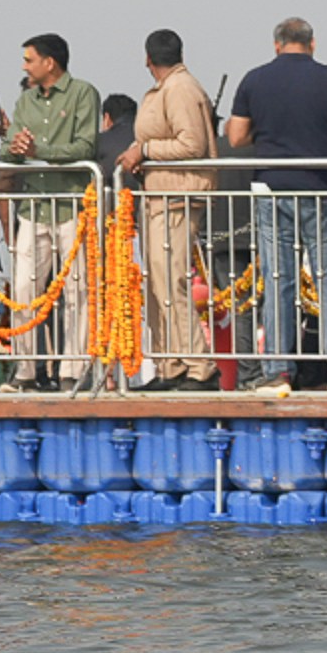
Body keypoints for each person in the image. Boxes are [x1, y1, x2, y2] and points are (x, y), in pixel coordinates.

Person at [222, 18, 327, 391]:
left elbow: (236, 137)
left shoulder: (254, 79)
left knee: (277, 279)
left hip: (272, 188)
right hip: (323, 189)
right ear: (312, 44)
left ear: (276, 45)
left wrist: (267, 128)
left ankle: (277, 372)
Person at [0, 34, 103, 390]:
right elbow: (8, 152)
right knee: (23, 290)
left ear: (49, 63)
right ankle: (25, 371)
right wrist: (17, 148)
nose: (24, 66)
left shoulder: (83, 93)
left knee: (77, 292)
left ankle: (74, 370)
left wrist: (41, 148)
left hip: (70, 206)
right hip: (33, 207)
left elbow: (86, 146)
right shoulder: (24, 102)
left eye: (29, 59)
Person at [111, 31, 219, 391]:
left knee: (171, 279)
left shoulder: (180, 89)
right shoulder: (165, 90)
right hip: (159, 194)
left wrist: (146, 150)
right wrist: (146, 155)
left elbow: (193, 144)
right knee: (157, 283)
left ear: (147, 59)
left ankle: (199, 365)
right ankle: (170, 363)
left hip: (179, 195)